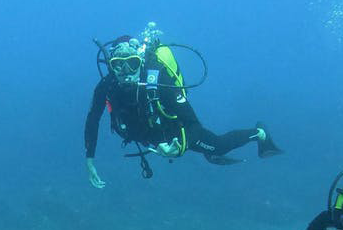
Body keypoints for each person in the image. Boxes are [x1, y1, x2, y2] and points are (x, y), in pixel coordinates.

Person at [84, 23, 282, 188]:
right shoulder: (106, 86)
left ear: (141, 62)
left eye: (132, 64)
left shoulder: (159, 78)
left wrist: (181, 147)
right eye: (119, 64)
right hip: (150, 137)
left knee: (218, 147)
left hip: (177, 134)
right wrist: (89, 158)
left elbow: (194, 124)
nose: (126, 71)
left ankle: (260, 133)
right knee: (208, 152)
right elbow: (93, 119)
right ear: (111, 65)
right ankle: (206, 153)